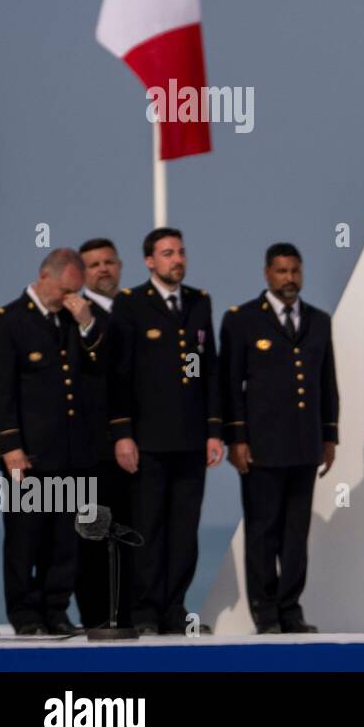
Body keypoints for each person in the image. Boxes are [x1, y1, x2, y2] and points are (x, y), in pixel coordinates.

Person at [108, 228, 223, 635]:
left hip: (190, 439)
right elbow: (119, 372)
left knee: (184, 530)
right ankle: (145, 610)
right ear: (149, 261)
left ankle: (175, 608)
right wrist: (123, 432)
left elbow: (202, 365)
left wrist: (212, 429)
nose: (177, 259)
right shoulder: (131, 304)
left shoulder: (198, 302)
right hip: (148, 440)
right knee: (149, 527)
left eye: (181, 252)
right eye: (168, 253)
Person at [220, 243, 338, 633]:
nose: (289, 279)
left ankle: (291, 609)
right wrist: (236, 439)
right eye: (282, 271)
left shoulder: (318, 321)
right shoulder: (242, 320)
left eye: (295, 271)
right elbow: (230, 384)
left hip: (304, 445)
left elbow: (326, 382)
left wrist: (329, 436)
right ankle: (266, 612)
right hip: (262, 447)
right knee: (263, 532)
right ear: (267, 273)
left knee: (295, 535)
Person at [0, 249, 107, 635]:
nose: (70, 298)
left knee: (64, 542)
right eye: (65, 291)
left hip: (72, 452)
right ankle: (25, 615)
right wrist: (10, 445)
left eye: (76, 292)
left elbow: (100, 367)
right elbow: (1, 389)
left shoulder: (78, 319)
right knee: (25, 539)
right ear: (44, 277)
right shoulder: (9, 321)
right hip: (28, 455)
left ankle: (55, 610)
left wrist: (87, 323)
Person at [74, 237, 132, 628]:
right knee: (90, 534)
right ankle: (95, 616)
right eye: (94, 265)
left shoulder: (137, 308)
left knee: (131, 532)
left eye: (109, 262)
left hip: (139, 445)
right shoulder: (72, 314)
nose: (103, 270)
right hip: (91, 447)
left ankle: (128, 613)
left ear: (121, 266)